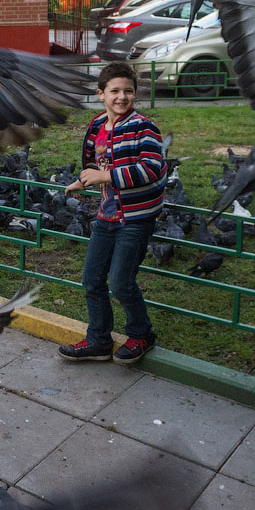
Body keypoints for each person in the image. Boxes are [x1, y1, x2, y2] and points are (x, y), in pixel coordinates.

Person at [58, 61, 166, 364]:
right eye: (115, 91)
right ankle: (99, 340)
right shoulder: (96, 127)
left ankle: (142, 333)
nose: (122, 97)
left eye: (128, 91)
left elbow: (152, 168)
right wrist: (82, 180)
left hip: (135, 217)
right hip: (106, 216)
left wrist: (106, 178)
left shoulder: (144, 127)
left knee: (120, 282)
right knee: (92, 279)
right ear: (100, 94)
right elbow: (95, 165)